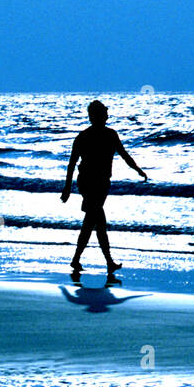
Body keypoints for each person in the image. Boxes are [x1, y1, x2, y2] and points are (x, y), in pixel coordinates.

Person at [60, 100, 148, 273]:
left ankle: (78, 260)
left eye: (106, 113)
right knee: (97, 221)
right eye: (103, 113)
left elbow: (124, 155)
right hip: (87, 183)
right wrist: (67, 188)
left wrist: (138, 170)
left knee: (93, 222)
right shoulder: (83, 137)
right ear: (95, 116)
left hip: (102, 184)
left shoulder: (110, 134)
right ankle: (106, 262)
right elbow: (71, 164)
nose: (107, 116)